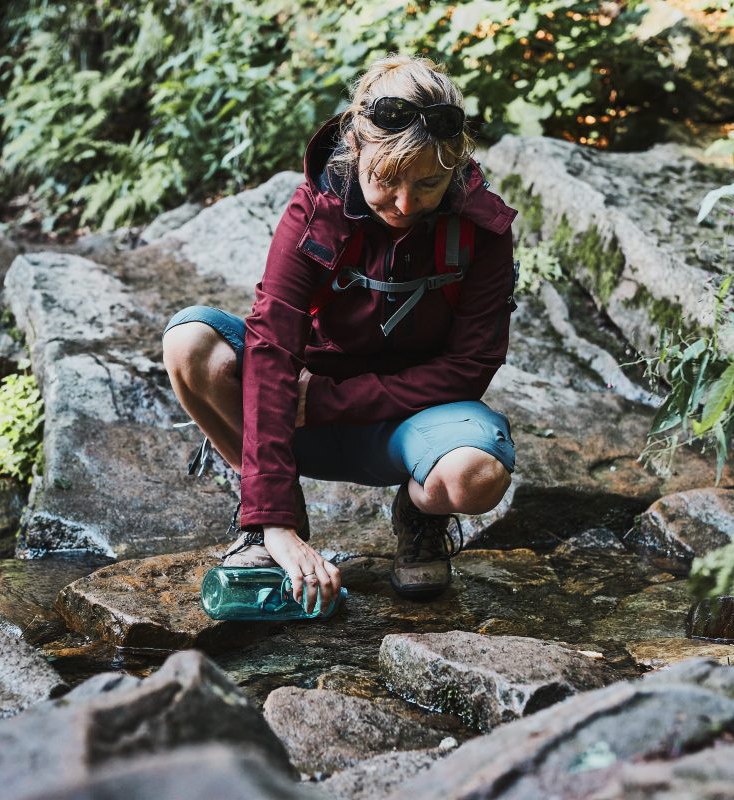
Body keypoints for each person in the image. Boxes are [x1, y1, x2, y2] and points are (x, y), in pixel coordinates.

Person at [163, 54, 518, 614]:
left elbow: (469, 368)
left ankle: (420, 518)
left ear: (455, 163)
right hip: (298, 415)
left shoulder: (483, 229)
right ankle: (270, 522)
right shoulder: (317, 207)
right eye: (387, 180)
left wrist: (329, 400)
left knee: (476, 475)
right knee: (190, 344)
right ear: (356, 146)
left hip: (404, 423)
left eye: (428, 183)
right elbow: (271, 344)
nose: (405, 204)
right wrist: (274, 520)